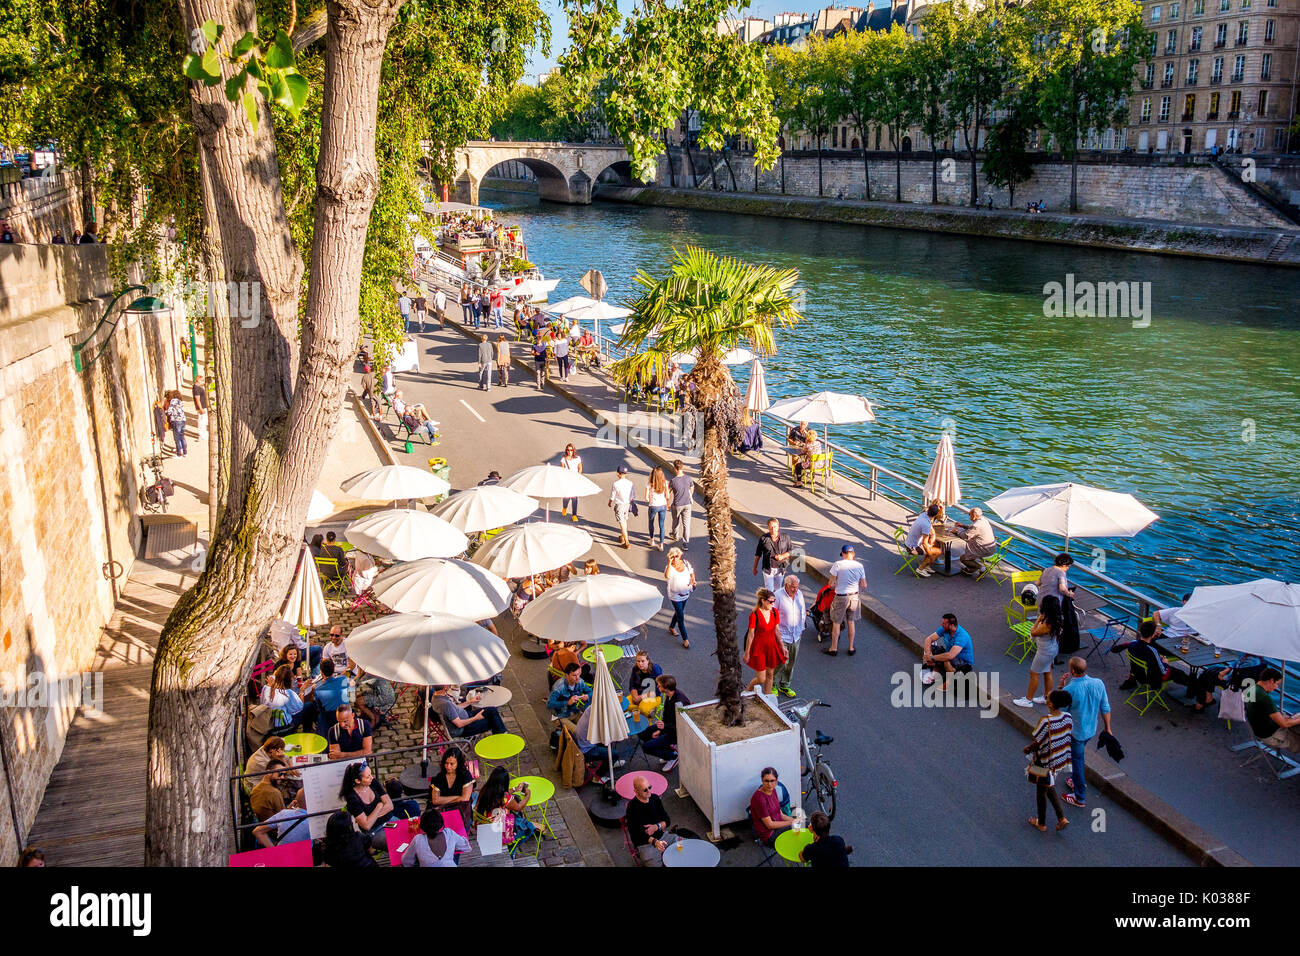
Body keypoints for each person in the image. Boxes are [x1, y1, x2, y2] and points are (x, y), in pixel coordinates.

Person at [1059, 657, 1111, 809]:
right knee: (1078, 758)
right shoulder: (1098, 683)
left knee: (1077, 762)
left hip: (1076, 732)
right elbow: (1105, 707)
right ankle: (1075, 782)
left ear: (1073, 671)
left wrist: (1061, 688)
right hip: (1091, 729)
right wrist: (1108, 728)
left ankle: (1079, 796)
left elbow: (1061, 710)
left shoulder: (1070, 689)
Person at [1024, 690, 1073, 832]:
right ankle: (1061, 818)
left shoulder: (1046, 721)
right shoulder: (1068, 717)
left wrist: (1028, 749)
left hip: (1044, 762)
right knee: (1048, 785)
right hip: (1059, 760)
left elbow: (1037, 741)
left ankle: (1041, 823)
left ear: (1050, 704)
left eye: (1048, 697)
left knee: (1041, 791)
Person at [1114, 620, 1192, 694]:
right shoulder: (1152, 651)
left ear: (1140, 632)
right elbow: (1163, 670)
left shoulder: (1132, 643)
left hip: (1136, 673)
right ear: (1153, 635)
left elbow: (1115, 649)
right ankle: (1193, 690)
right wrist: (1166, 663)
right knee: (1178, 673)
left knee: (1140, 661)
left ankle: (1131, 681)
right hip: (1150, 679)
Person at [1013, 598, 1062, 709]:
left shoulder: (1046, 625)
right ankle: (1046, 697)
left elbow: (1033, 632)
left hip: (1044, 652)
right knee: (1047, 672)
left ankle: (1028, 700)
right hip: (1053, 649)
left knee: (1034, 674)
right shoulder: (1056, 619)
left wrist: (1037, 620)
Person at [341, 762, 403, 849]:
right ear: (357, 781)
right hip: (375, 831)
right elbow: (366, 826)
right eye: (368, 776)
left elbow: (390, 805)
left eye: (371, 774)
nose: (372, 778)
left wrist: (370, 818)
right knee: (396, 842)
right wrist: (379, 806)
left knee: (408, 833)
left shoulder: (373, 782)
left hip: (391, 820)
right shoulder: (352, 798)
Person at [473, 766, 538, 847]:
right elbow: (518, 807)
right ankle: (511, 849)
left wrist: (515, 789)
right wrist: (528, 795)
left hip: (482, 825)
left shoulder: (485, 789)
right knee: (529, 828)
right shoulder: (504, 797)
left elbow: (501, 792)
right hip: (496, 831)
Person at [825, 544, 867, 656]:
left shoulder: (838, 565)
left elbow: (830, 584)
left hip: (841, 596)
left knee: (836, 622)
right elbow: (864, 584)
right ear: (853, 554)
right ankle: (851, 647)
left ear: (843, 554)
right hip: (854, 596)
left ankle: (833, 648)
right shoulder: (860, 566)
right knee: (851, 621)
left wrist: (836, 585)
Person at [744, 589, 787, 696]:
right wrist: (747, 653)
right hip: (759, 649)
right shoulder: (755, 615)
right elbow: (751, 635)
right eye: (770, 601)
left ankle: (767, 698)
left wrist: (782, 647)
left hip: (771, 647)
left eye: (774, 601)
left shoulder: (775, 612)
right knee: (761, 678)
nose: (773, 604)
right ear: (763, 600)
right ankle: (749, 688)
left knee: (770, 674)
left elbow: (777, 630)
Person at [1247, 668, 1300, 753]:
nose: (1276, 688)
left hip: (1259, 730)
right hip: (1270, 736)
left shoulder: (1252, 689)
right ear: (1271, 680)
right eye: (1277, 684)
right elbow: (1284, 724)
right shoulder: (1265, 698)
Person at [1038, 553, 1080, 654]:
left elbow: (1038, 583)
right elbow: (1062, 589)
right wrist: (1069, 594)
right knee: (1055, 625)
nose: (1068, 568)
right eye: (1069, 566)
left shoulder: (1047, 569)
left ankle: (1040, 641)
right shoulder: (1061, 573)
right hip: (1052, 604)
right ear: (1064, 565)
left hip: (1041, 600)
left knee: (1042, 620)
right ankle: (1053, 649)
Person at [772, 574, 806, 698]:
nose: (795, 590)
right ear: (786, 585)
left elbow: (802, 611)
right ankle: (773, 684)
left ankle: (785, 684)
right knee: (781, 661)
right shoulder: (778, 596)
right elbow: (773, 615)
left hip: (796, 635)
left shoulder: (799, 594)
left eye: (797, 587)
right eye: (793, 587)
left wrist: (801, 627)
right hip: (782, 636)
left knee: (791, 661)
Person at [402, 807, 471, 867]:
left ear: (422, 827)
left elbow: (406, 861)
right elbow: (465, 846)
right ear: (441, 824)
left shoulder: (418, 839)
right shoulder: (449, 833)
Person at [625, 776, 671, 865]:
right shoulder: (632, 807)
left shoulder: (655, 798)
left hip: (663, 836)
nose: (649, 791)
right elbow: (636, 835)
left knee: (684, 846)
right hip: (645, 845)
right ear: (636, 791)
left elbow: (667, 820)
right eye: (645, 790)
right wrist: (655, 842)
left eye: (649, 787)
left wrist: (656, 827)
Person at [921, 613, 974, 690]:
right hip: (950, 655)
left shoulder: (962, 636)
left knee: (946, 658)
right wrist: (929, 655)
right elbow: (928, 639)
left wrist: (931, 658)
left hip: (964, 663)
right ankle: (937, 671)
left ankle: (949, 683)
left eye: (944, 623)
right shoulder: (944, 629)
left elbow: (950, 655)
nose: (942, 625)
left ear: (951, 625)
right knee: (930, 648)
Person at [432, 684, 508, 737]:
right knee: (494, 721)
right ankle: (501, 738)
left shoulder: (435, 697)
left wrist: (471, 701)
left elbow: (455, 708)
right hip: (464, 728)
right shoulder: (445, 704)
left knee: (492, 710)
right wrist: (476, 718)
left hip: (466, 715)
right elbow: (459, 724)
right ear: (445, 687)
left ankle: (502, 734)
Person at [260, 664, 315, 734]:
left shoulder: (266, 688)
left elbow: (264, 702)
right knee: (309, 706)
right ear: (290, 680)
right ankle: (307, 731)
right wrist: (302, 691)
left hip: (268, 724)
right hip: (285, 728)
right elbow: (299, 708)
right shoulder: (287, 693)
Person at [749, 767, 795, 845]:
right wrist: (792, 822)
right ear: (762, 781)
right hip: (769, 835)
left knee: (806, 824)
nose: (769, 784)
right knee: (803, 828)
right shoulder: (759, 799)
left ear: (776, 781)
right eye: (766, 781)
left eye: (772, 781)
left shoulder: (773, 791)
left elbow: (781, 814)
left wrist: (796, 821)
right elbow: (770, 825)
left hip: (778, 826)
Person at [429, 746, 475, 819]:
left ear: (458, 763)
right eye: (446, 763)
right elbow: (435, 800)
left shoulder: (465, 776)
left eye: (452, 764)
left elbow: (465, 799)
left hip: (461, 811)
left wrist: (443, 800)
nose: (448, 767)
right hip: (443, 810)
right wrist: (458, 797)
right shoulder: (439, 777)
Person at [663, 547, 696, 650]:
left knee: (679, 612)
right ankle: (685, 639)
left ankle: (672, 627)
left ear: (680, 555)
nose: (674, 558)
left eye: (676, 556)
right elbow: (666, 576)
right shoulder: (669, 567)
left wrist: (693, 580)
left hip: (686, 594)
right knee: (681, 617)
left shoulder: (685, 563)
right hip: (675, 597)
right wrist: (669, 563)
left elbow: (691, 572)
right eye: (672, 556)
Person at [753, 517, 793, 593]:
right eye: (770, 527)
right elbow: (758, 554)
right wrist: (754, 568)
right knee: (769, 591)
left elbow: (791, 551)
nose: (773, 529)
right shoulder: (764, 538)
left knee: (778, 591)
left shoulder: (785, 537)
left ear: (778, 526)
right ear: (768, 527)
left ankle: (776, 604)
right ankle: (770, 604)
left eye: (774, 527)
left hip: (780, 569)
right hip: (768, 569)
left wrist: (782, 556)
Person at [311, 660, 350, 736]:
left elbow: (319, 705)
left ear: (321, 672)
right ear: (334, 669)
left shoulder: (317, 688)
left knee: (318, 710)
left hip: (332, 716)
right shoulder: (343, 679)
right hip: (346, 711)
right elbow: (348, 677)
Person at [955, 507, 998, 574]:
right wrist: (963, 526)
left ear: (974, 515)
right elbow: (972, 528)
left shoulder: (976, 525)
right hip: (991, 548)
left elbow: (965, 536)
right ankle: (971, 569)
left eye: (970, 514)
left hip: (984, 550)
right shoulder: (984, 520)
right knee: (968, 554)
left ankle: (982, 568)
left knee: (963, 558)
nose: (969, 516)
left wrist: (957, 531)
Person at [903, 503, 942, 577]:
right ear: (935, 515)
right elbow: (924, 543)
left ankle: (926, 565)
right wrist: (931, 556)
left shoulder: (923, 515)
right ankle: (920, 569)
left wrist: (933, 535)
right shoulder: (926, 525)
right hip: (912, 547)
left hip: (909, 542)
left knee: (937, 544)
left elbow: (931, 528)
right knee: (937, 551)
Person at [667, 459, 693, 544]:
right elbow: (691, 488)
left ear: (675, 468)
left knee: (675, 521)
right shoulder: (689, 478)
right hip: (687, 504)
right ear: (683, 467)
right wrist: (690, 496)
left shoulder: (673, 481)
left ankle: (675, 535)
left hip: (677, 504)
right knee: (686, 525)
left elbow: (668, 493)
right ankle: (685, 543)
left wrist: (667, 502)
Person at [609, 464, 634, 549]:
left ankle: (626, 542)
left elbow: (613, 495)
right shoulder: (630, 483)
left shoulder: (616, 484)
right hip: (627, 504)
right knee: (625, 520)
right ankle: (623, 536)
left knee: (622, 522)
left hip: (619, 504)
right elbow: (632, 496)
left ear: (618, 473)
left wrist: (610, 502)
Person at [645, 466, 668, 550]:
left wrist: (650, 500)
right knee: (661, 525)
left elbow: (646, 498)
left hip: (653, 506)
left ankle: (652, 540)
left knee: (651, 522)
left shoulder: (649, 484)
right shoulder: (664, 483)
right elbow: (668, 495)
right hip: (663, 505)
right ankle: (661, 544)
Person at [558, 443, 583, 520]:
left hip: (575, 479)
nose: (569, 451)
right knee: (566, 497)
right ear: (566, 451)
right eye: (568, 450)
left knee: (574, 498)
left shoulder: (577, 458)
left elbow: (580, 468)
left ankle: (574, 515)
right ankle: (564, 507)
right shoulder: (563, 459)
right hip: (567, 480)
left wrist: (578, 476)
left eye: (571, 450)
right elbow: (562, 470)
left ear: (573, 450)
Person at [165, 389, 188, 457]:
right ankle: (185, 452)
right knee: (182, 436)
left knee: (177, 438)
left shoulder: (173, 401)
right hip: (183, 420)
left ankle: (179, 454)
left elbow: (169, 412)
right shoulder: (180, 401)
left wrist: (165, 412)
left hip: (176, 421)